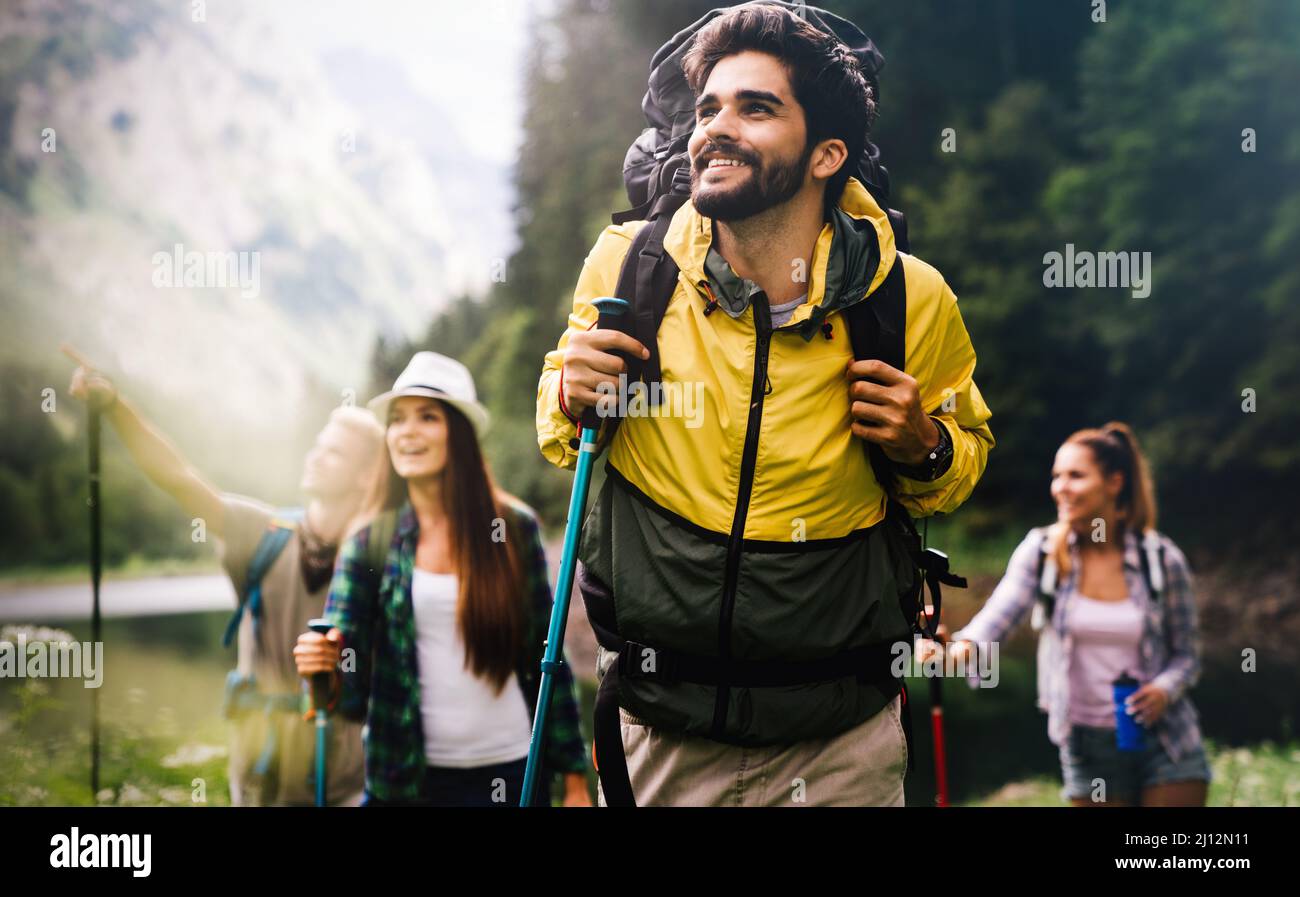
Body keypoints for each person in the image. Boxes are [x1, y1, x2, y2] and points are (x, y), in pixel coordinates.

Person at [536, 5, 994, 806]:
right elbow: (563, 423)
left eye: (756, 107)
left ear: (828, 153)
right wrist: (569, 392)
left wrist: (924, 441)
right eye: (708, 107)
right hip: (659, 731)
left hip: (843, 742)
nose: (716, 127)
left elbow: (958, 460)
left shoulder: (911, 298)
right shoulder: (629, 265)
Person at [63, 345, 377, 806]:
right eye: (317, 445)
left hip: (343, 774)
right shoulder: (261, 533)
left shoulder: (380, 558)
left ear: (367, 476)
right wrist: (115, 407)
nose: (315, 456)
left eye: (334, 452)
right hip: (260, 772)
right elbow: (178, 478)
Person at [294, 352, 591, 807]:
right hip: (404, 781)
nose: (407, 431)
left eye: (427, 417)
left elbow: (548, 656)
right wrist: (322, 665)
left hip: (511, 775)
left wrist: (572, 779)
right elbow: (344, 694)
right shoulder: (369, 542)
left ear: (460, 434)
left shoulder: (513, 528)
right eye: (397, 419)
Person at [931, 422, 1210, 807]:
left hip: (1167, 739)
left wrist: (1164, 690)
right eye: (1056, 475)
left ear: (1114, 482)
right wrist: (952, 651)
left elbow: (1187, 657)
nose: (1060, 487)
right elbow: (992, 625)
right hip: (1086, 746)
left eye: (1075, 475)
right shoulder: (1042, 552)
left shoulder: (1161, 559)